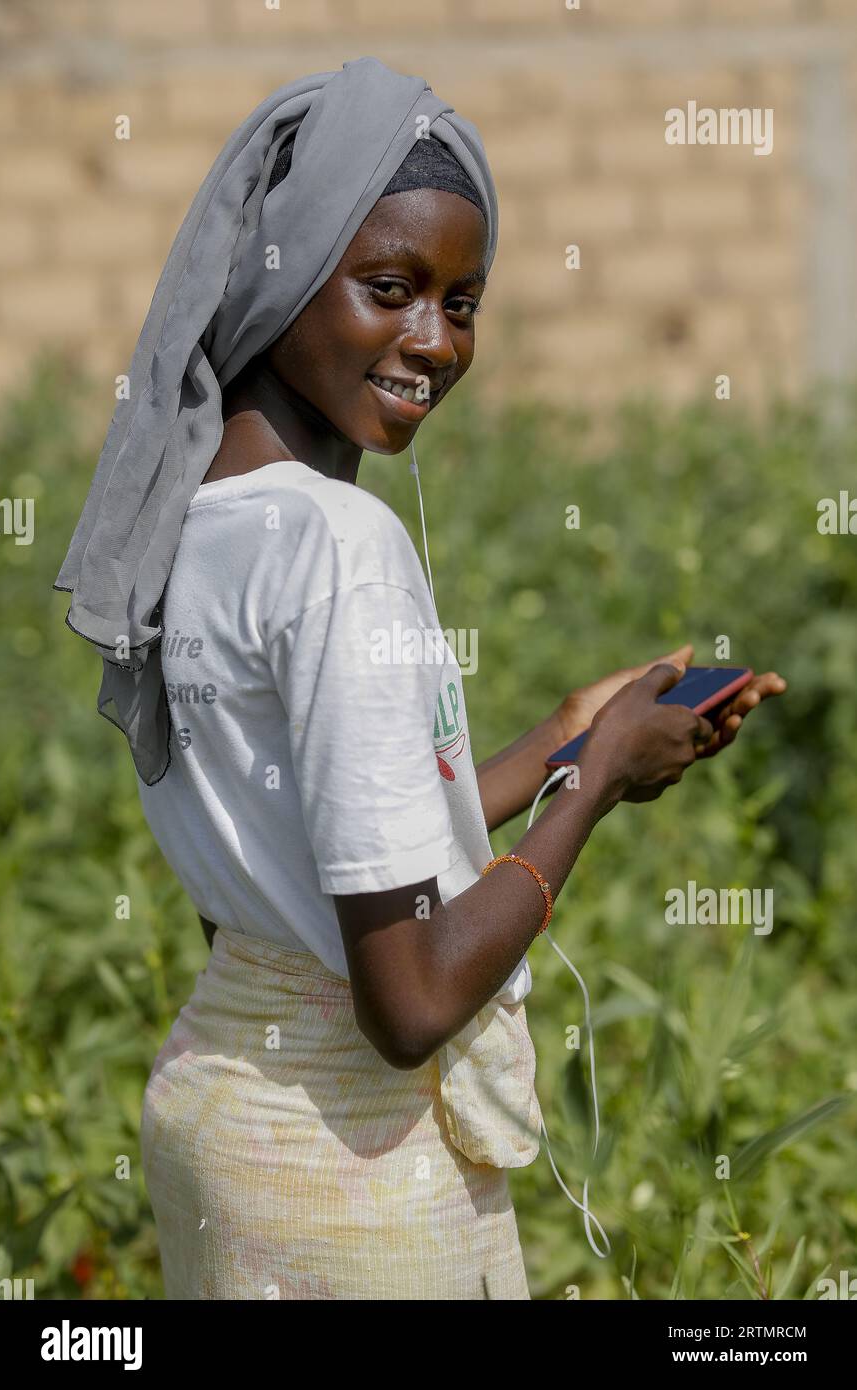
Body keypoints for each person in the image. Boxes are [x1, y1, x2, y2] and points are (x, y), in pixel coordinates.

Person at [54, 58, 786, 1300]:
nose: (432, 342)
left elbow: (311, 843)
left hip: (220, 1118)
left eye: (464, 302)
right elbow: (410, 997)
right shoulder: (341, 544)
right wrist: (595, 784)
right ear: (285, 269)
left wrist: (557, 737)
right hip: (348, 1165)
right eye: (388, 288)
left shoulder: (195, 519)